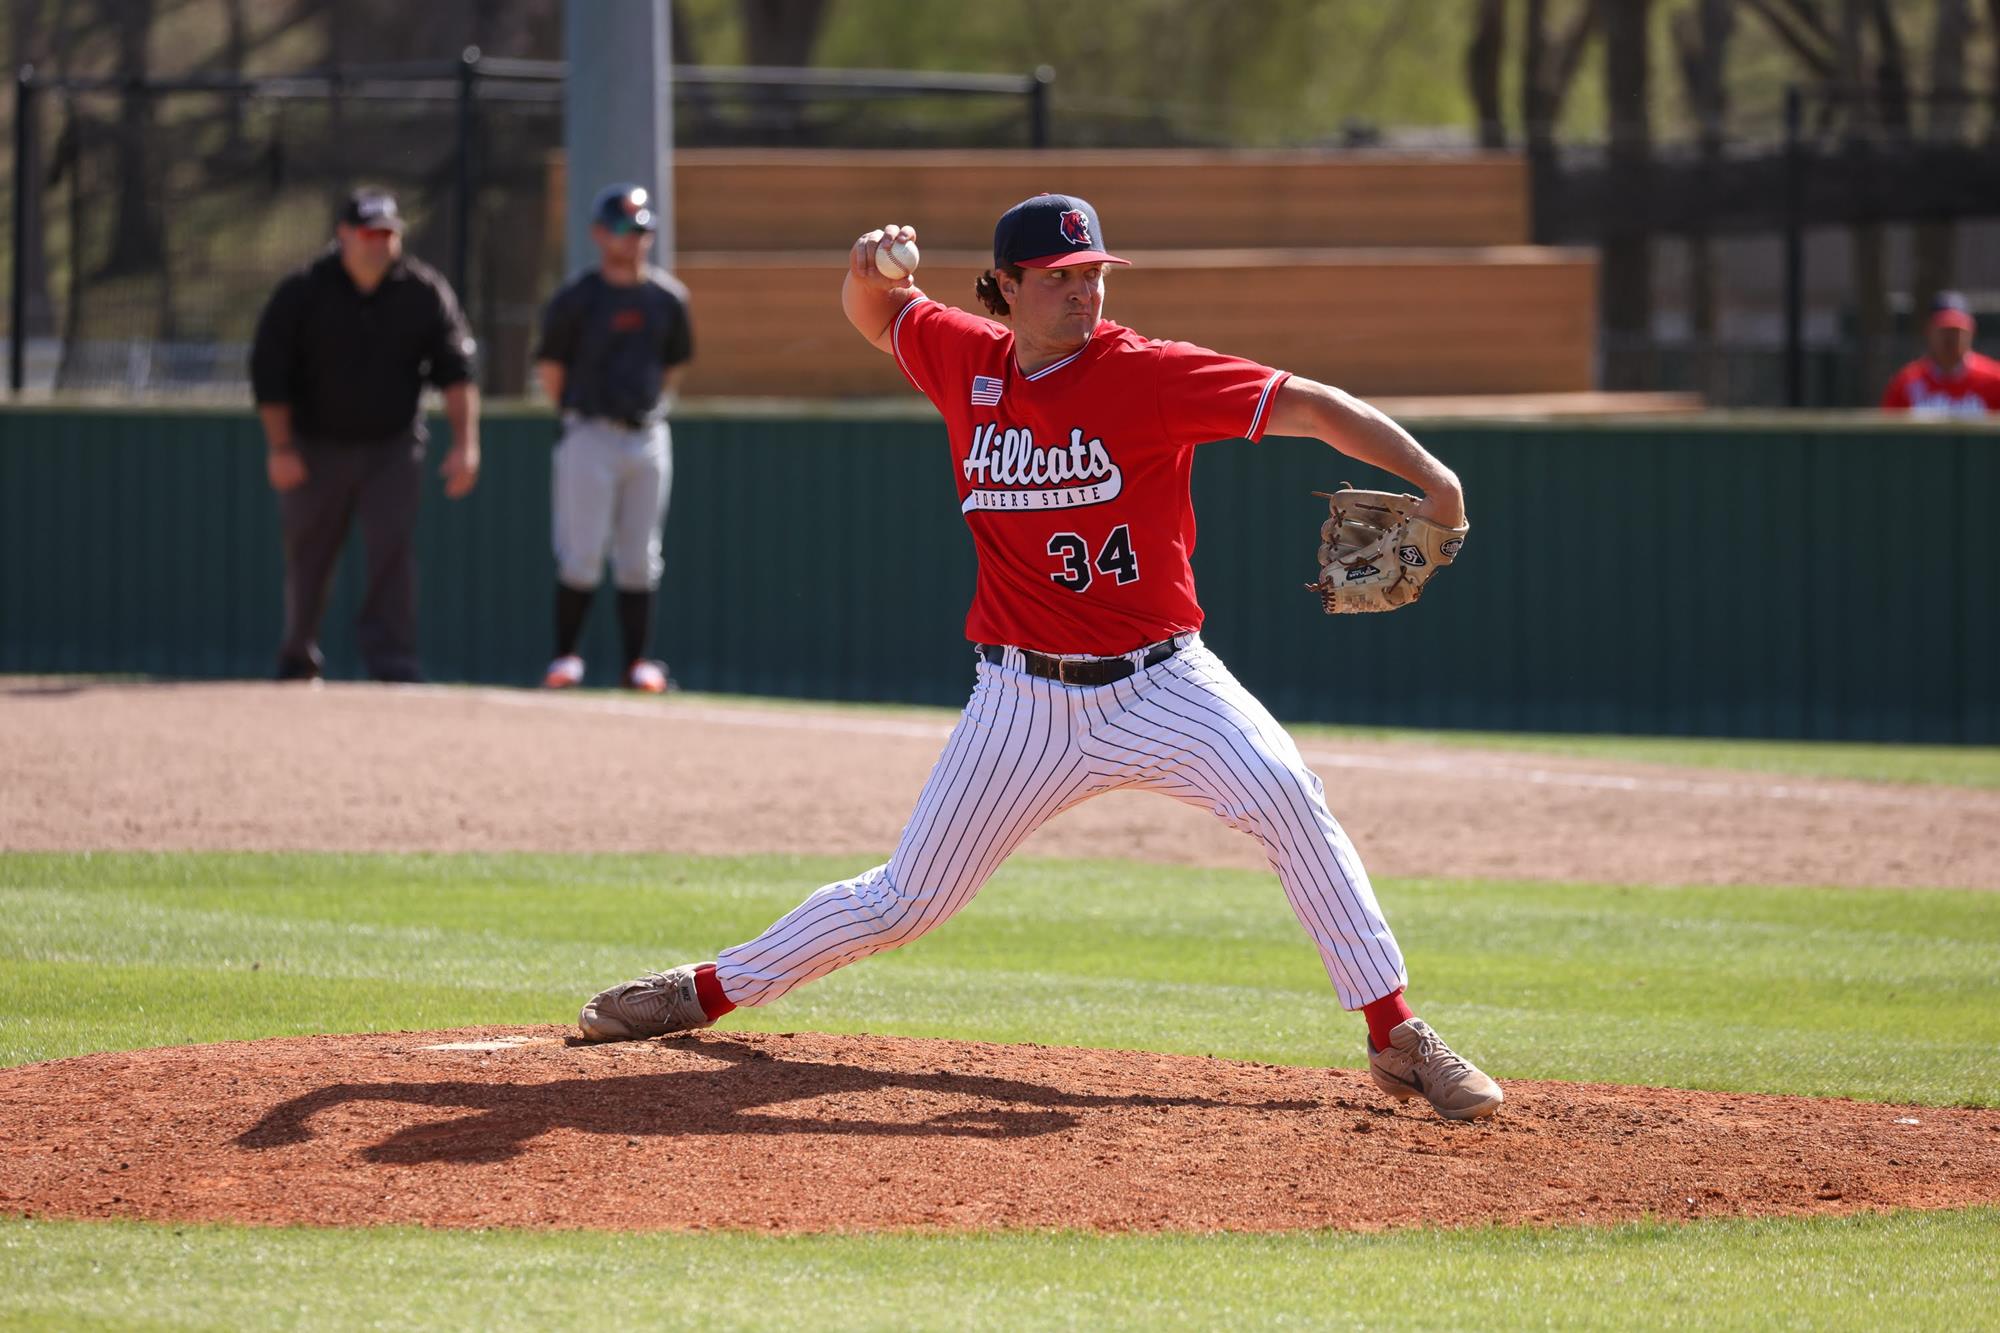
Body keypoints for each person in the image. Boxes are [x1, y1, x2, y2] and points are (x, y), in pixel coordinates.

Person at [577, 193, 1504, 1122]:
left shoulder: (1145, 373)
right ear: (1007, 286)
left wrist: (1438, 480)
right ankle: (702, 990)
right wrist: (865, 268)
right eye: (1059, 277)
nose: (1083, 291)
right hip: (1021, 700)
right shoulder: (965, 359)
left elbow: (1309, 405)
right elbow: (876, 313)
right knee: (906, 900)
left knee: (1288, 796)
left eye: (1093, 273)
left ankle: (1394, 1031)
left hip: (1164, 681)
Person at [250, 187, 481, 683]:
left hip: (392, 447)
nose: (379, 244)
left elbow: (457, 371)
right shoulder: (304, 290)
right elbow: (269, 373)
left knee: (391, 553)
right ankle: (297, 656)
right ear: (344, 234)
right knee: (309, 554)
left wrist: (467, 445)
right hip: (314, 445)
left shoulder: (422, 290)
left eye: (388, 234)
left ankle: (392, 662)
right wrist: (281, 447)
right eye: (369, 233)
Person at [533, 183, 695, 693]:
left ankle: (637, 664)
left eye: (642, 229)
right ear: (599, 234)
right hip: (590, 431)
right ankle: (565, 657)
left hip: (646, 434)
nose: (633, 238)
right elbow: (551, 369)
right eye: (623, 229)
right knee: (582, 552)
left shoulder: (668, 299)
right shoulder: (576, 299)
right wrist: (580, 415)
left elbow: (673, 366)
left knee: (640, 556)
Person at [1881, 290, 2000, 416]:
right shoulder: (1906, 383)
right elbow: (1888, 426)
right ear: (1929, 331)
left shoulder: (1994, 380)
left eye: (1956, 331)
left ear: (1971, 332)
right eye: (1943, 330)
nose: (1950, 338)